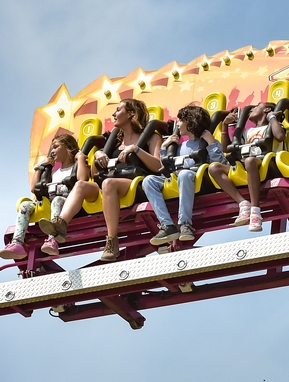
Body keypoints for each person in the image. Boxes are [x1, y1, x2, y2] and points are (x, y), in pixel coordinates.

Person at [39, 98, 162, 261]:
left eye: (118, 110)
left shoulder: (151, 138)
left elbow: (158, 166)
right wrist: (98, 154)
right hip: (108, 185)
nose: (114, 113)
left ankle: (111, 241)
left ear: (131, 113)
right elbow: (93, 175)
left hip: (135, 183)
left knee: (108, 183)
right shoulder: (113, 144)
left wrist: (137, 149)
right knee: (82, 184)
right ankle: (61, 223)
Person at [144, 105, 227, 246]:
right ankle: (167, 225)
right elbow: (166, 166)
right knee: (148, 181)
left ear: (190, 122)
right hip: (177, 177)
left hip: (197, 179)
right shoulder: (179, 145)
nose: (178, 124)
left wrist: (211, 143)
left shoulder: (207, 142)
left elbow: (220, 163)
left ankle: (185, 223)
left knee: (184, 174)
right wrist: (165, 147)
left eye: (181, 121)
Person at [208, 101, 286, 233]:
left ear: (266, 109)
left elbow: (280, 136)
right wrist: (225, 126)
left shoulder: (274, 125)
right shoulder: (248, 131)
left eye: (256, 107)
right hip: (247, 165)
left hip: (267, 162)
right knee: (214, 168)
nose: (251, 110)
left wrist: (272, 118)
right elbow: (226, 149)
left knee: (250, 161)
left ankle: (255, 211)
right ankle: (243, 203)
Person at [1, 134, 80, 261]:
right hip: (47, 203)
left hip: (66, 203)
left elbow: (81, 180)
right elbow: (33, 188)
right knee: (25, 205)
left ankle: (52, 239)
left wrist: (80, 159)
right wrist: (40, 168)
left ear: (68, 148)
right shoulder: (54, 173)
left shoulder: (74, 168)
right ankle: (17, 243)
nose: (52, 151)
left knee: (57, 200)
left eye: (56, 147)